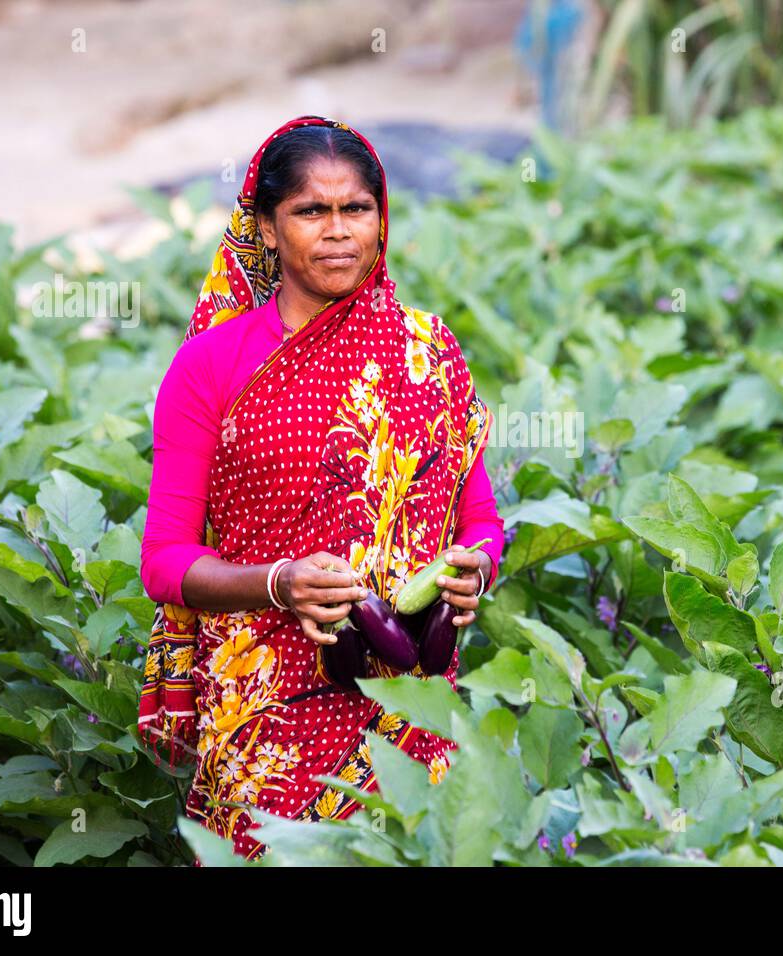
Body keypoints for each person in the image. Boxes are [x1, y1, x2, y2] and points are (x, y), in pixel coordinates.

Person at [135, 115, 504, 861]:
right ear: (267, 228)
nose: (338, 231)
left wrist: (476, 568)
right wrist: (279, 583)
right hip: (265, 719)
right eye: (311, 211)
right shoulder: (210, 366)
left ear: (380, 219)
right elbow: (164, 562)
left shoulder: (427, 353)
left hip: (411, 708)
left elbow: (482, 519)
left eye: (356, 210)